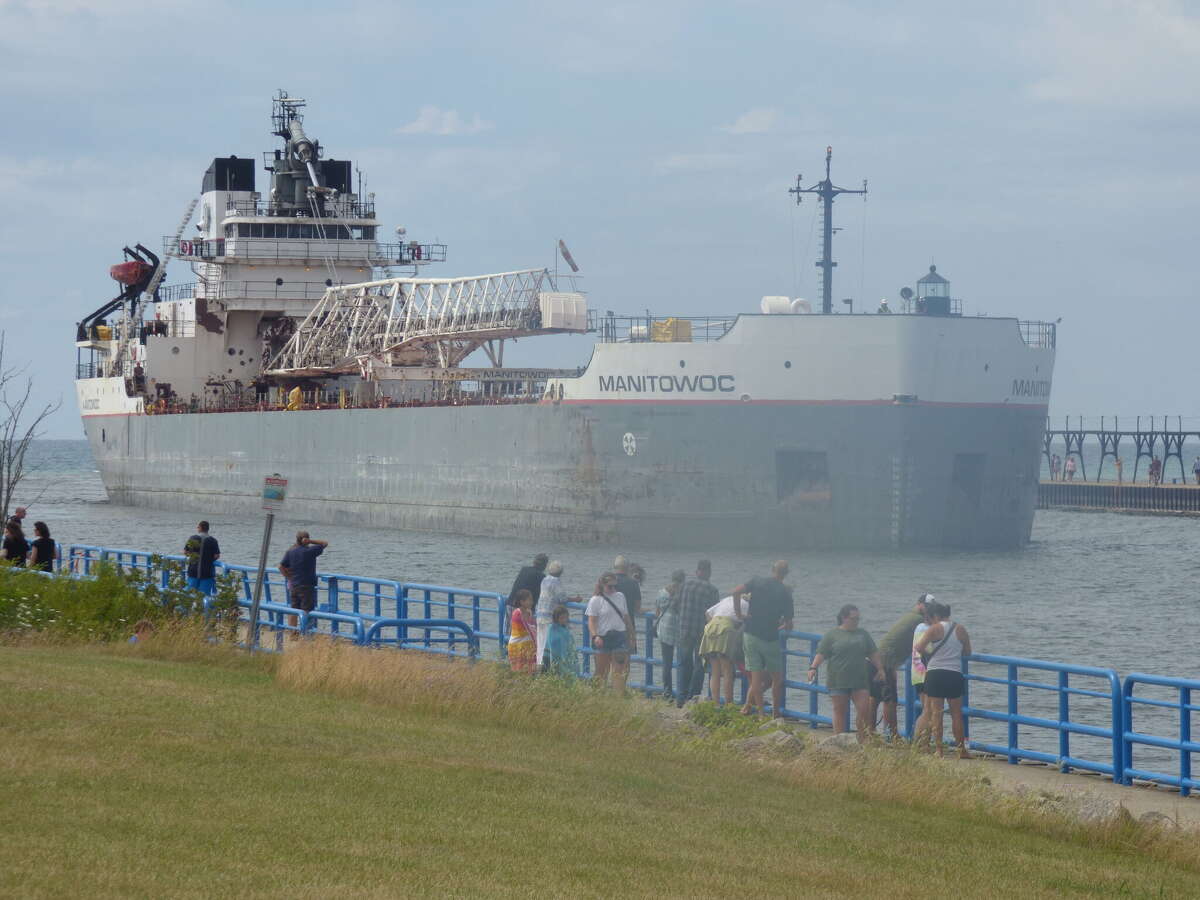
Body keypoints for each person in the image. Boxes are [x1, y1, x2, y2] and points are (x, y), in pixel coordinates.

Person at [808, 605, 885, 742]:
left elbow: (873, 653)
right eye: (853, 619)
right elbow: (821, 654)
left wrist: (880, 669)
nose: (856, 622)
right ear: (844, 618)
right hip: (838, 680)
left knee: (864, 711)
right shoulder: (832, 635)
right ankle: (839, 740)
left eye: (858, 619)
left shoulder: (863, 634)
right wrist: (813, 668)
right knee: (839, 711)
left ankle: (862, 740)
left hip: (860, 680)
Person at [732, 561, 794, 717]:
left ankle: (760, 714)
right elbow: (788, 624)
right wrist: (780, 624)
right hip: (770, 638)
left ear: (772, 570)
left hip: (750, 634)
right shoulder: (785, 592)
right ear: (786, 573)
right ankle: (775, 713)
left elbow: (735, 592)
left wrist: (739, 614)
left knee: (755, 678)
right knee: (776, 680)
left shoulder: (757, 581)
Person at [913, 601, 972, 758]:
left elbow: (918, 648)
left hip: (935, 673)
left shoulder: (935, 628)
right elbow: (967, 652)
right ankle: (961, 750)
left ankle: (939, 750)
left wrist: (931, 651)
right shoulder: (961, 629)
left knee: (936, 713)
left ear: (936, 615)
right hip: (954, 674)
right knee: (956, 714)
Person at [871, 593, 931, 738]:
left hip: (880, 658)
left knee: (875, 698)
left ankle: (870, 733)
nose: (929, 610)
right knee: (890, 700)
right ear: (920, 604)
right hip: (886, 661)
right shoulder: (919, 620)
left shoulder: (910, 616)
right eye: (927, 607)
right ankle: (894, 736)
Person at [676, 559, 718, 707]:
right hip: (702, 631)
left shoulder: (684, 585)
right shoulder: (711, 590)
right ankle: (693, 697)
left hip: (684, 628)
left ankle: (680, 698)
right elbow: (715, 615)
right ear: (708, 572)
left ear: (697, 571)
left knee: (683, 663)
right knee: (699, 665)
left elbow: (676, 604)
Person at [585, 572, 637, 692]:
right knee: (601, 671)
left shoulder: (620, 596)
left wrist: (632, 636)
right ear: (602, 585)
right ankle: (597, 695)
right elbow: (591, 621)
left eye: (615, 586)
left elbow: (626, 617)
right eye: (610, 586)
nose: (613, 589)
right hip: (603, 637)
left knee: (619, 670)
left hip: (619, 636)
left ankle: (617, 698)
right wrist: (595, 636)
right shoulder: (595, 600)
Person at [700, 594, 747, 706]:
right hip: (726, 630)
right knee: (727, 671)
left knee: (715, 671)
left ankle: (715, 703)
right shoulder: (746, 604)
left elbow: (707, 613)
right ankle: (728, 704)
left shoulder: (727, 599)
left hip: (710, 629)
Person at [278, 531, 328, 629]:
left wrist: (289, 578)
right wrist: (311, 541)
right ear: (307, 540)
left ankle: (293, 633)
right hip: (306, 586)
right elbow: (324, 543)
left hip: (294, 585)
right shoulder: (310, 551)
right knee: (307, 610)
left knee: (294, 610)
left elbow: (280, 566)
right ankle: (306, 634)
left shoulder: (290, 551)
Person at [653, 570, 686, 701]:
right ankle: (682, 692)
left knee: (667, 663)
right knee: (683, 662)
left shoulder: (662, 592)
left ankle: (667, 692)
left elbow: (657, 612)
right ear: (683, 580)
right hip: (679, 630)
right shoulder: (682, 593)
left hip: (664, 629)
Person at [536, 560, 567, 666]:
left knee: (540, 643)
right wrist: (576, 599)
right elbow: (563, 598)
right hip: (549, 617)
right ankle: (547, 667)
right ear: (560, 572)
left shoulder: (544, 580)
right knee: (549, 643)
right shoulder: (556, 581)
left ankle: (539, 665)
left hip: (540, 614)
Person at [183, 520, 221, 595]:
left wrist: (192, 555)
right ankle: (203, 606)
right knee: (204, 596)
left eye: (198, 527)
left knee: (189, 595)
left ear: (200, 528)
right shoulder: (213, 541)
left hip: (193, 571)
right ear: (208, 529)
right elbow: (217, 555)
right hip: (207, 572)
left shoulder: (193, 538)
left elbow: (185, 552)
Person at [544, 605, 579, 678]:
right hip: (555, 659)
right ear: (556, 619)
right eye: (562, 618)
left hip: (566, 658)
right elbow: (552, 645)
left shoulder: (565, 629)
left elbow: (570, 645)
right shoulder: (552, 629)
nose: (564, 620)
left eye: (566, 617)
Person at [508, 589, 538, 673]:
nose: (532, 602)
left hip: (528, 646)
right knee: (520, 672)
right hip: (517, 646)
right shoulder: (517, 613)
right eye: (530, 600)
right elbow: (530, 628)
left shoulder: (529, 612)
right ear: (522, 601)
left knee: (530, 672)